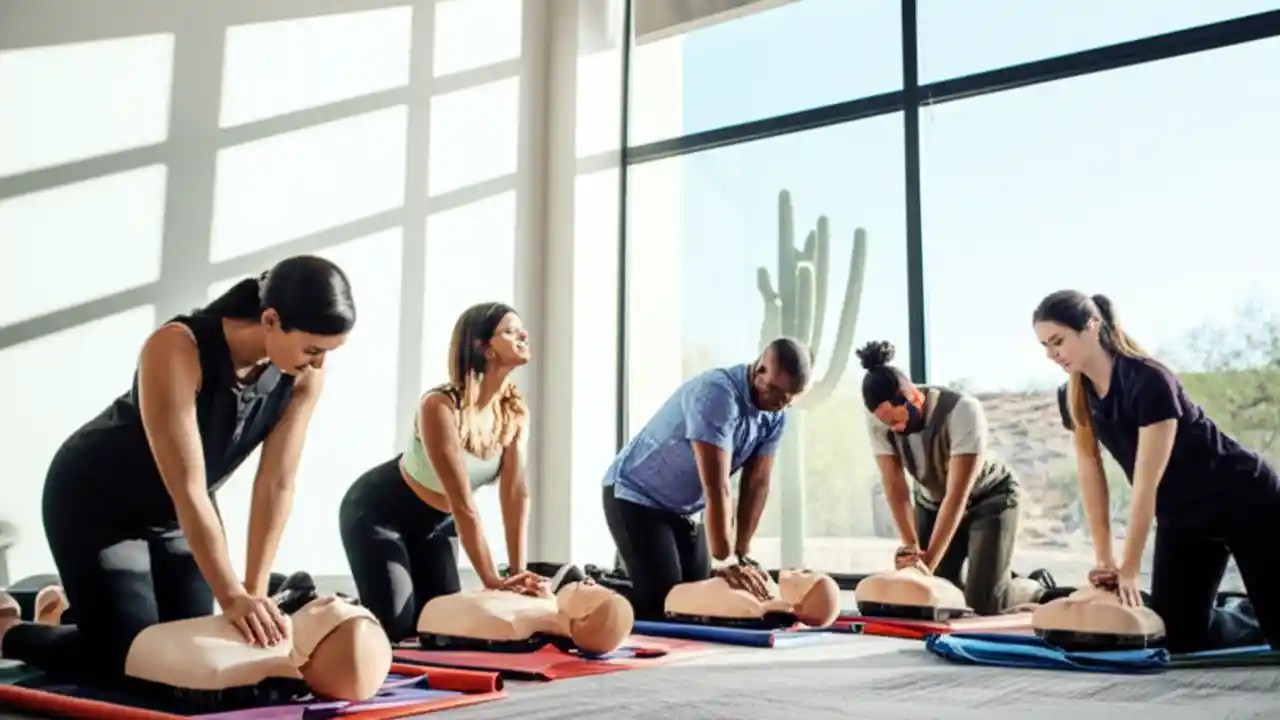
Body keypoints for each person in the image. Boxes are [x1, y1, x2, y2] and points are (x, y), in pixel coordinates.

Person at [0, 255, 356, 682]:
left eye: (327, 354)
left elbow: (276, 483)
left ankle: (65, 611)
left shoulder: (301, 377)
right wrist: (229, 595)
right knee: (127, 660)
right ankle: (9, 629)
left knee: (184, 651)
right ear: (271, 319)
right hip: (95, 501)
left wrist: (253, 592)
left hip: (176, 517)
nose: (318, 364)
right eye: (313, 350)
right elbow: (187, 485)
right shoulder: (176, 347)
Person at [1032, 289, 1280, 652]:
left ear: (1091, 326)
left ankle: (1254, 608)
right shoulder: (1072, 394)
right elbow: (1090, 473)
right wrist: (1105, 561)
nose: (1052, 354)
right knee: (1180, 638)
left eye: (1058, 341)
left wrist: (1130, 568)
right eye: (1045, 346)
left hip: (1244, 499)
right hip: (1183, 518)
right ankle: (1241, 615)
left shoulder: (1149, 380)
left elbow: (1147, 484)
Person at [339, 302, 537, 642]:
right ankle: (320, 605)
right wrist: (491, 579)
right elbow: (463, 504)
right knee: (396, 629)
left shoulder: (513, 412)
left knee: (437, 625)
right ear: (483, 346)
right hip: (378, 513)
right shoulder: (439, 406)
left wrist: (517, 573)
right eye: (509, 330)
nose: (523, 334)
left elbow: (516, 495)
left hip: (437, 524)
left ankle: (367, 605)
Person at [601, 337, 812, 621]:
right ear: (760, 369)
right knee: (664, 603)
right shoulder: (717, 395)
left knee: (698, 601)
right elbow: (717, 486)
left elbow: (757, 484)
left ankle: (636, 573)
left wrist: (742, 552)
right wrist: (724, 560)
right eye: (774, 390)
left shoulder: (775, 415)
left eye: (787, 398)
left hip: (684, 510)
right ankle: (586, 584)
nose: (777, 402)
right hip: (635, 495)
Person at [857, 340, 1024, 616]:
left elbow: (957, 495)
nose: (896, 429)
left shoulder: (962, 410)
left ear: (912, 396)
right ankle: (992, 572)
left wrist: (926, 567)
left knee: (983, 603)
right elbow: (896, 489)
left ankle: (1029, 587)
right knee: (940, 597)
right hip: (933, 502)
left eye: (897, 420)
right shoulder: (879, 420)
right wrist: (912, 552)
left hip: (990, 498)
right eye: (888, 424)